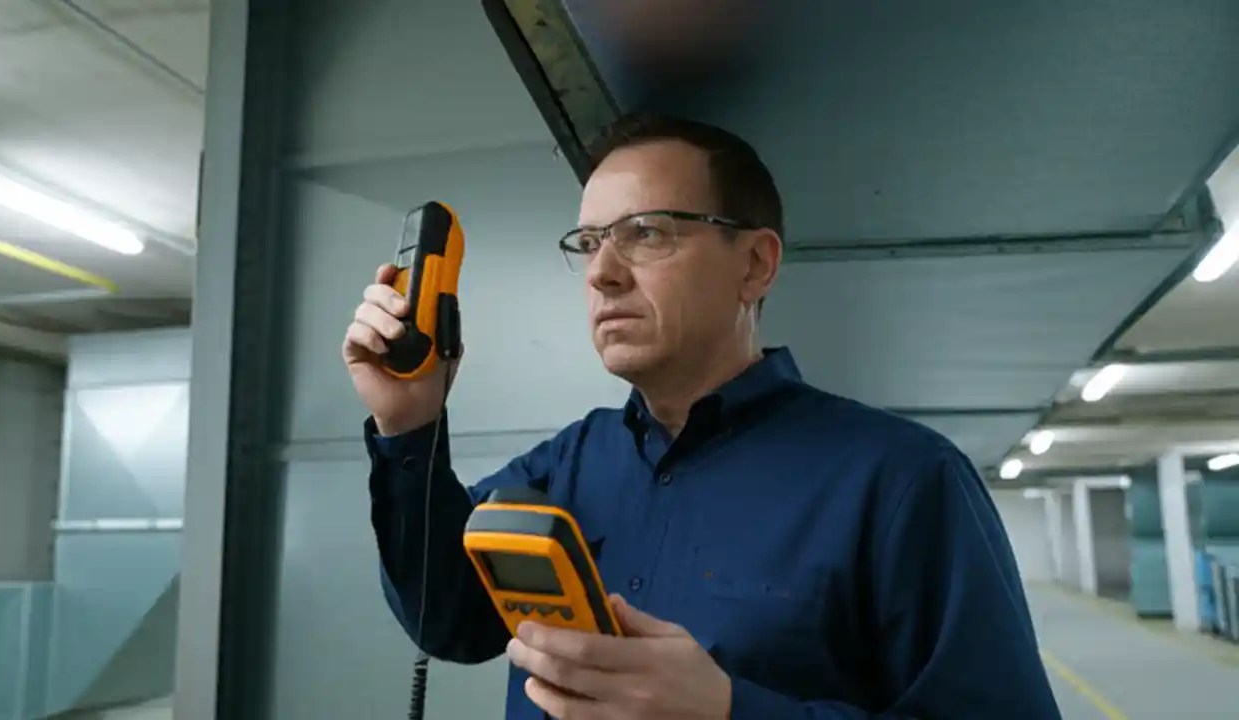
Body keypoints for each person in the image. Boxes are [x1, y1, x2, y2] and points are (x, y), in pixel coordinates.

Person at [343, 113, 1062, 719]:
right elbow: (447, 619)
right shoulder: (563, 468)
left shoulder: (903, 481)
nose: (602, 272)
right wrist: (410, 425)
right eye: (589, 243)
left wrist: (729, 711)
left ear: (754, 264)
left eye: (647, 233)